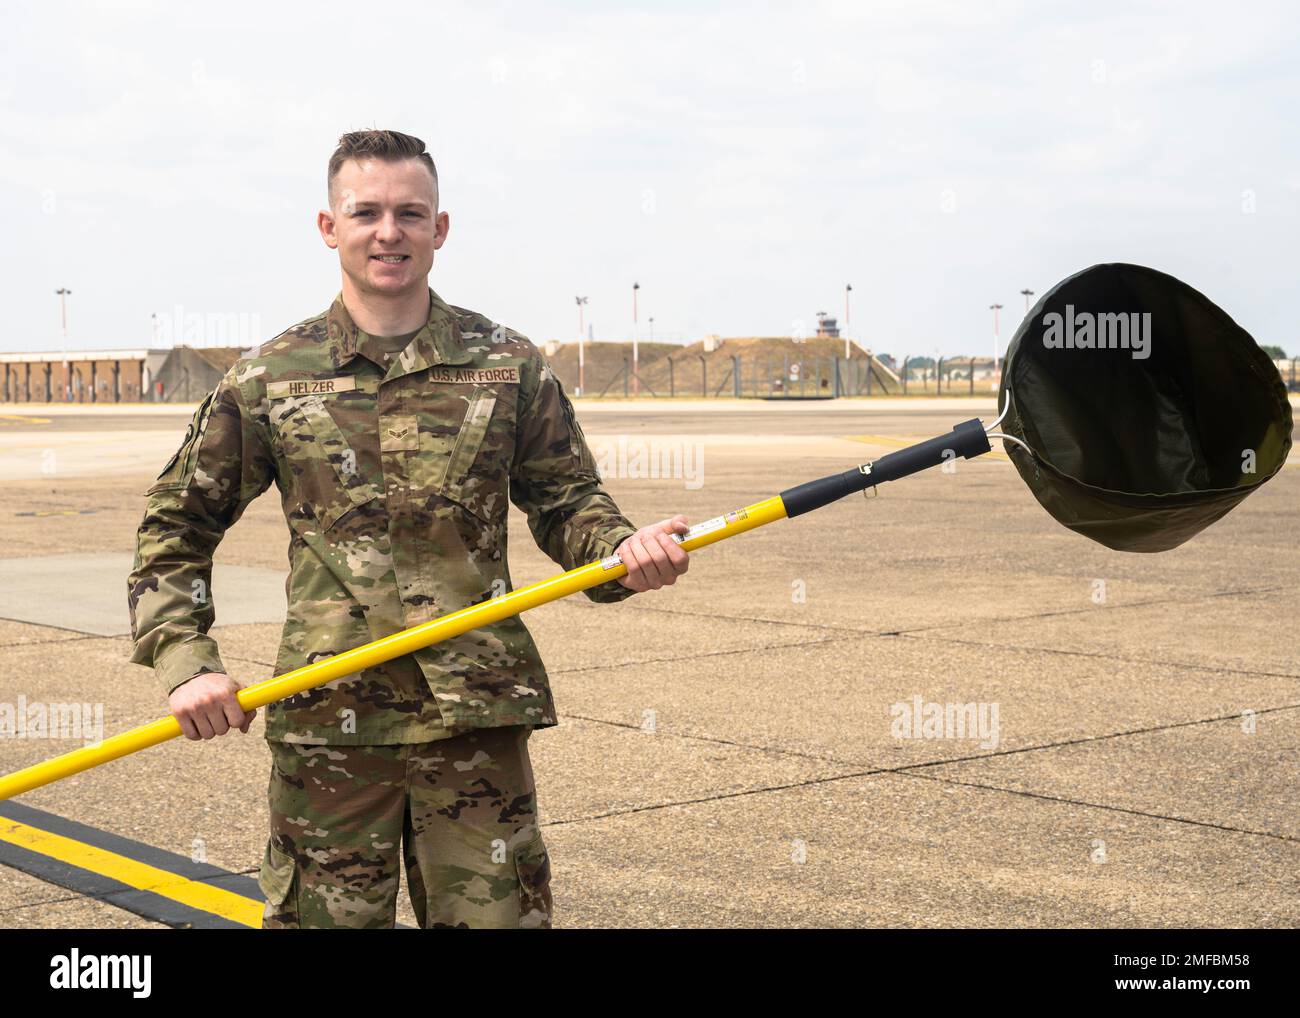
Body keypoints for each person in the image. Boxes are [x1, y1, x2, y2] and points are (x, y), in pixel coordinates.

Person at [127, 129, 690, 929]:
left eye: (409, 213)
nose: (388, 231)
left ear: (440, 228)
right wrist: (186, 662)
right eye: (366, 212)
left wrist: (621, 554)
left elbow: (569, 504)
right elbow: (176, 526)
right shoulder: (270, 377)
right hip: (329, 725)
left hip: (474, 729)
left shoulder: (508, 366)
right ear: (330, 227)